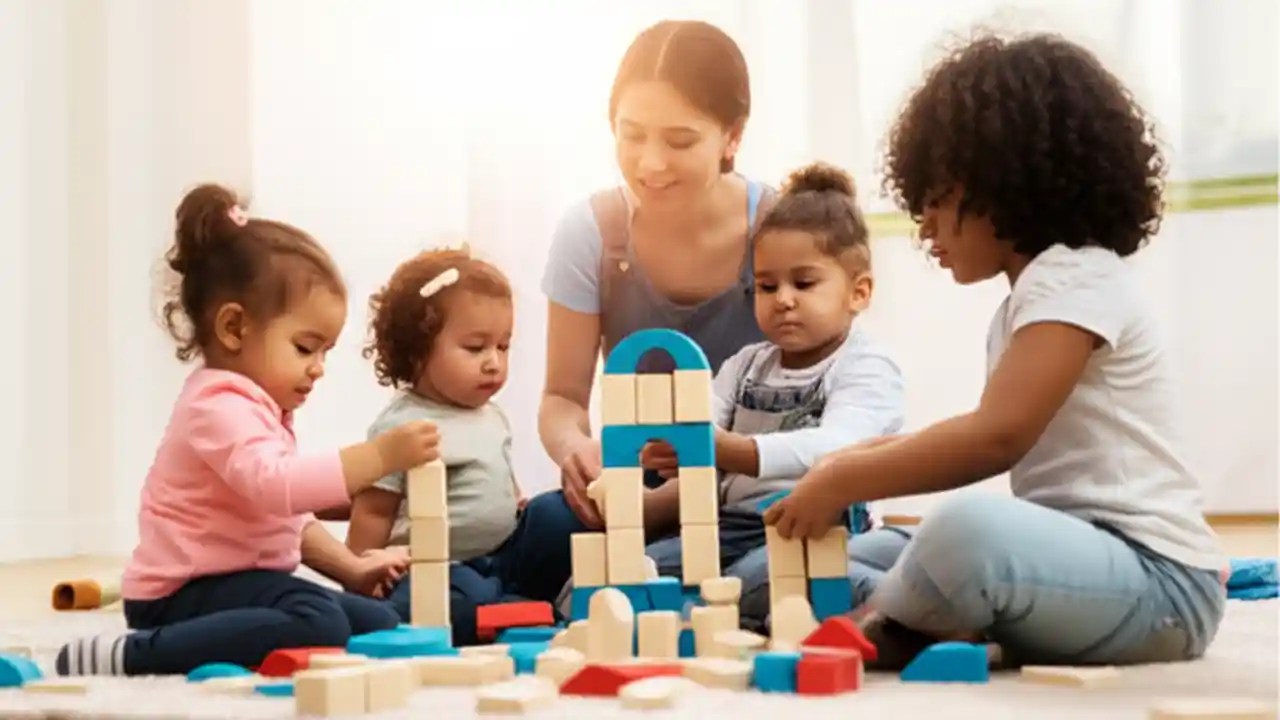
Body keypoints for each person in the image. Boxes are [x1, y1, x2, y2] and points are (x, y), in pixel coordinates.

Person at [764, 33, 1226, 668]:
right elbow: (978, 431)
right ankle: (907, 611)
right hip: (1095, 566)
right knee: (883, 547)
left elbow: (996, 436)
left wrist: (846, 475)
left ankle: (883, 623)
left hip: (1162, 587)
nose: (923, 225)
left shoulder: (1076, 278)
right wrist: (837, 466)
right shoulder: (1031, 297)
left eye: (936, 198)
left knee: (968, 532)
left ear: (1003, 183)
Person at [56, 185, 439, 676]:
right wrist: (380, 456)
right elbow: (278, 487)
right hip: (180, 594)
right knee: (319, 622)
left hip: (240, 582)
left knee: (378, 621)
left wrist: (350, 567)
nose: (319, 368)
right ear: (234, 328)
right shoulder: (216, 407)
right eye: (306, 348)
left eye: (326, 352)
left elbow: (281, 518)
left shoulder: (260, 409)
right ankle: (130, 656)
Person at [539, 19, 776, 545]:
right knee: (547, 530)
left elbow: (810, 419)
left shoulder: (784, 232)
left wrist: (677, 501)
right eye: (632, 134)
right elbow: (561, 396)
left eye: (680, 140)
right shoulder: (592, 232)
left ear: (732, 137)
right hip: (636, 480)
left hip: (750, 484)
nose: (650, 163)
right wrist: (574, 448)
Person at [639, 162, 904, 619]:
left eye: (803, 283)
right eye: (766, 285)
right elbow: (700, 426)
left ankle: (905, 605)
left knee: (764, 578)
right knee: (636, 575)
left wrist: (729, 449)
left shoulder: (867, 364)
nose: (783, 299)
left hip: (819, 525)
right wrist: (674, 447)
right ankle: (721, 609)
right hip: (731, 526)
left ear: (858, 292)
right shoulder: (745, 365)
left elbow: (838, 447)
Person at [350, 248, 582, 645]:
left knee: (557, 513)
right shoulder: (402, 425)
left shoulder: (492, 415)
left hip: (502, 557)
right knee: (446, 601)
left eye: (503, 346)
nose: (494, 362)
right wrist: (357, 574)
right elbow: (373, 510)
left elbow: (499, 477)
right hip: (433, 569)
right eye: (476, 348)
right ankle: (517, 610)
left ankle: (514, 604)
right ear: (417, 350)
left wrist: (517, 503)